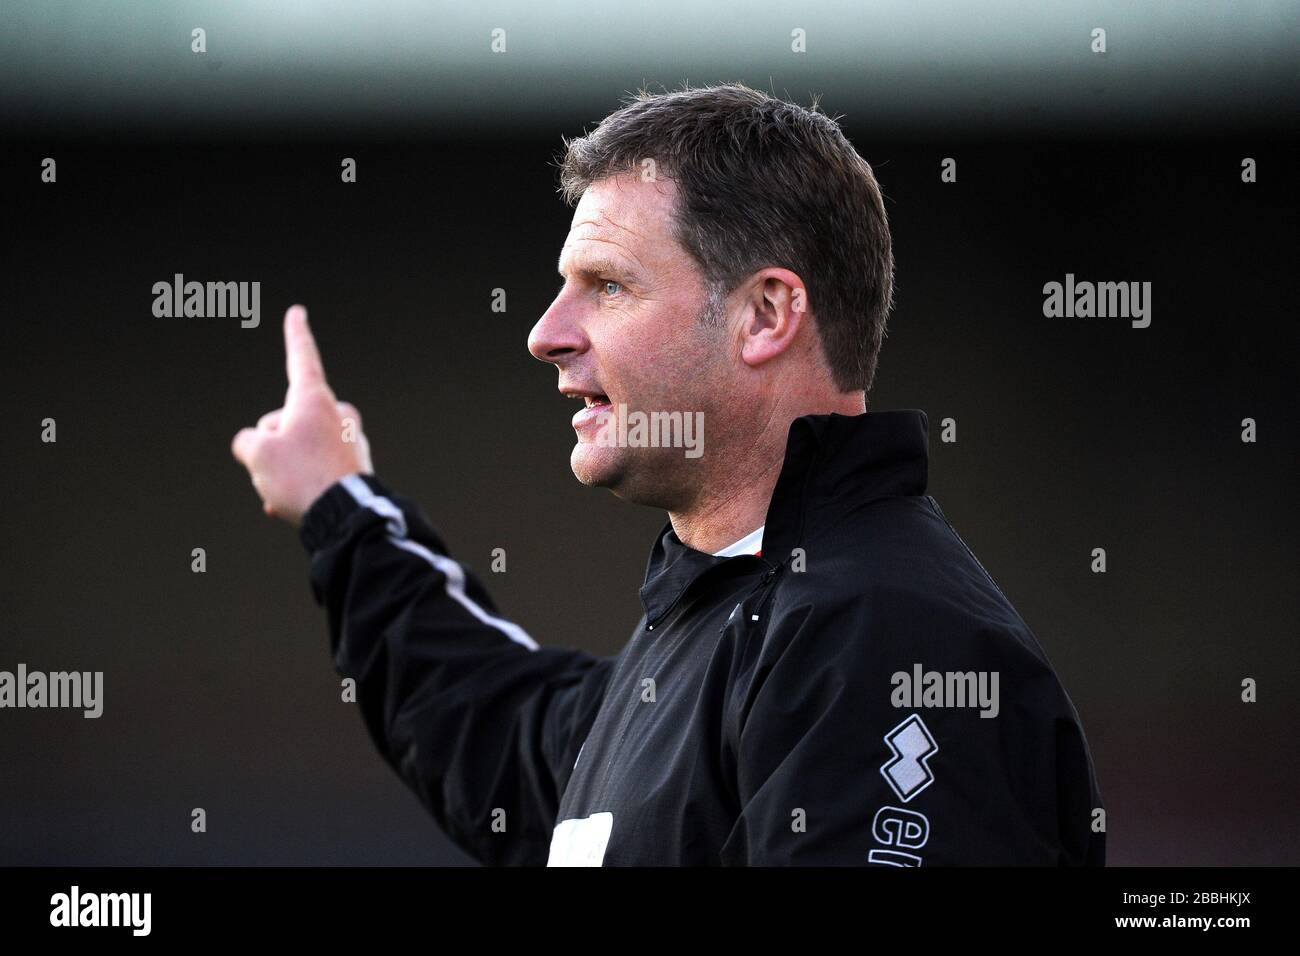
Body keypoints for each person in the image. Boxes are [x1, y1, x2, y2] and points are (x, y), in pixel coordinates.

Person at [231, 83, 1104, 866]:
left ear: (765, 316)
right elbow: (496, 728)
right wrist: (340, 507)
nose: (545, 332)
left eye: (607, 285)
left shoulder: (881, 636)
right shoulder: (725, 630)